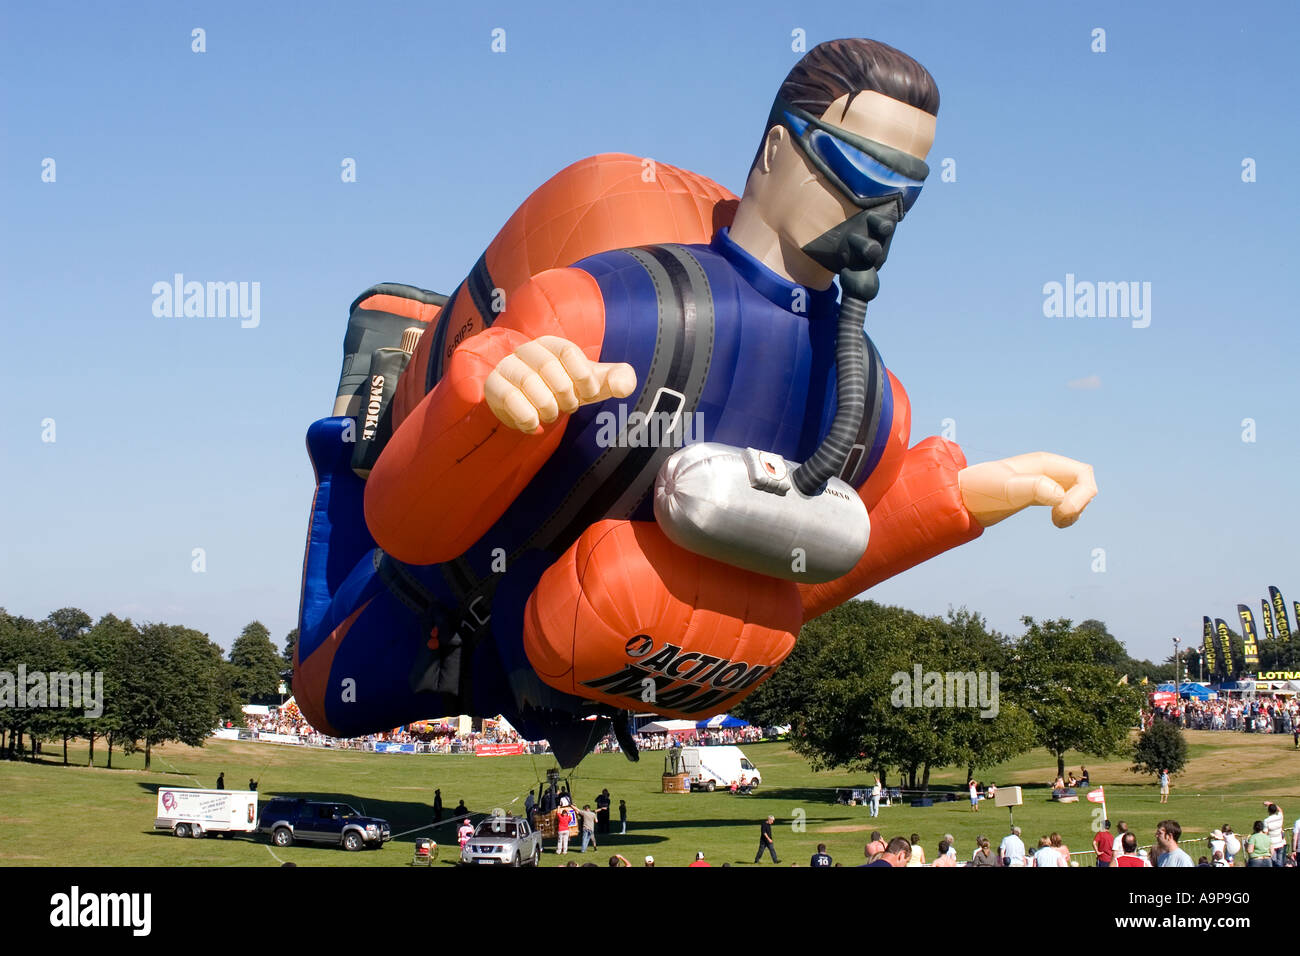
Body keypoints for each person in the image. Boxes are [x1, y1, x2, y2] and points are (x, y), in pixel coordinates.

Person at [353, 36, 1095, 759]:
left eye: (907, 186)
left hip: (624, 669)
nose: (883, 208)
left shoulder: (870, 406)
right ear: (777, 150)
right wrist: (487, 403)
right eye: (858, 167)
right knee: (333, 699)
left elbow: (804, 571)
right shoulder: (611, 312)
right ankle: (373, 384)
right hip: (441, 632)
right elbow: (405, 524)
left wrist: (957, 500)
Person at [1263, 801, 1285, 867]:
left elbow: (1265, 833)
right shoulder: (1279, 817)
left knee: (1273, 863)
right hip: (1280, 843)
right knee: (1280, 863)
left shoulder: (1266, 820)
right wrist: (1271, 803)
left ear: (1268, 811)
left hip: (1272, 845)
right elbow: (1280, 810)